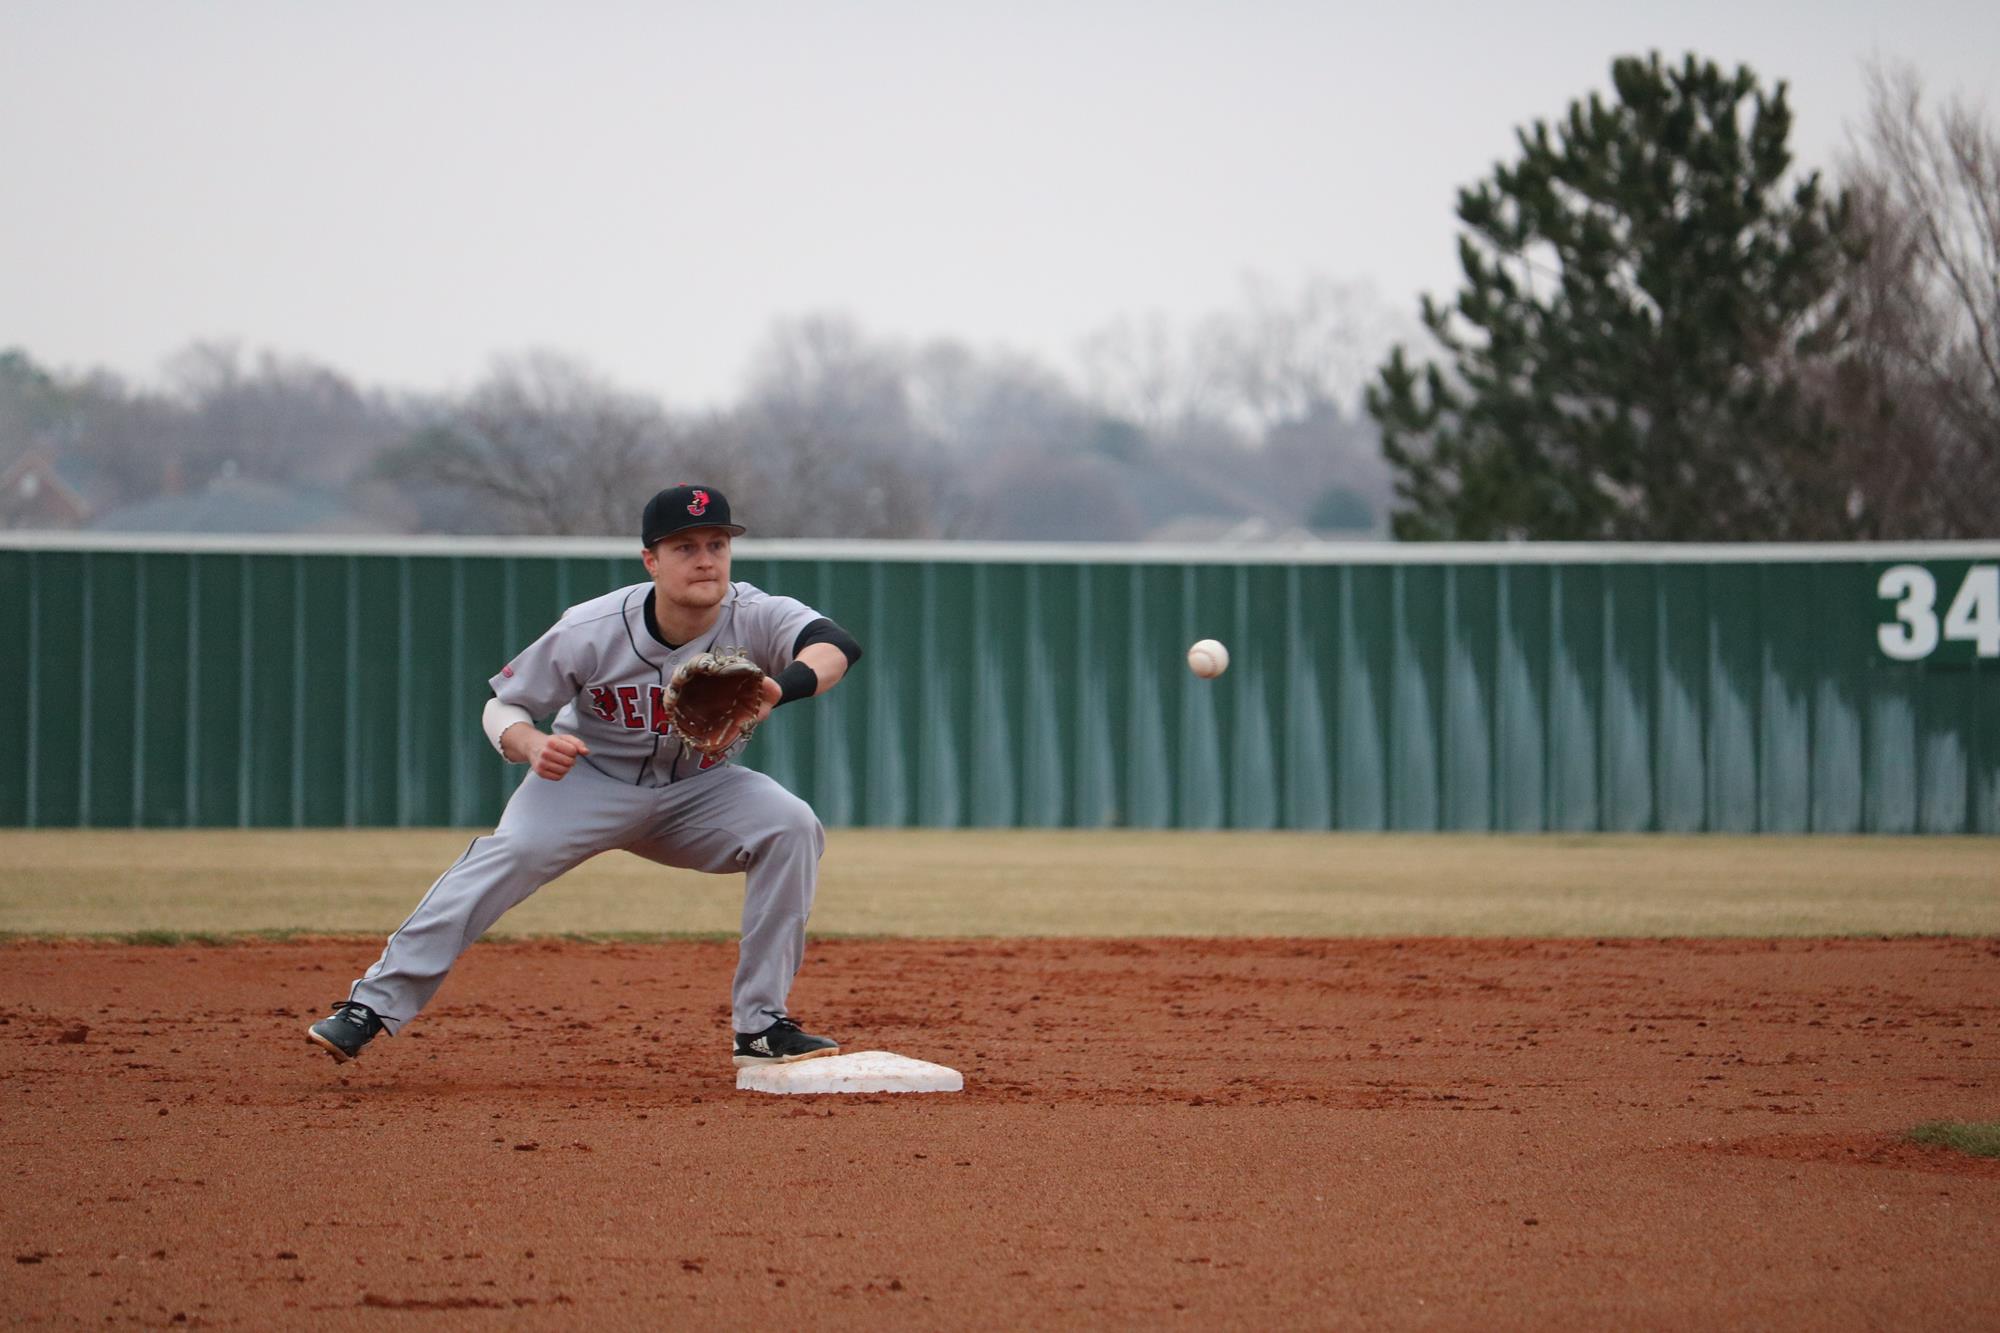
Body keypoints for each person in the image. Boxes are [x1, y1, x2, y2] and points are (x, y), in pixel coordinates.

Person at [306, 484, 861, 1069]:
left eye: (716, 543)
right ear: (650, 560)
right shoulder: (592, 627)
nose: (705, 559)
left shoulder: (757, 613)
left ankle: (761, 1025)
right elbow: (502, 704)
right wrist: (531, 743)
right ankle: (369, 1007)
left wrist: (781, 687)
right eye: (684, 547)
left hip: (700, 789)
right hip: (586, 780)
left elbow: (835, 645)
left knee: (792, 825)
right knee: (507, 856)